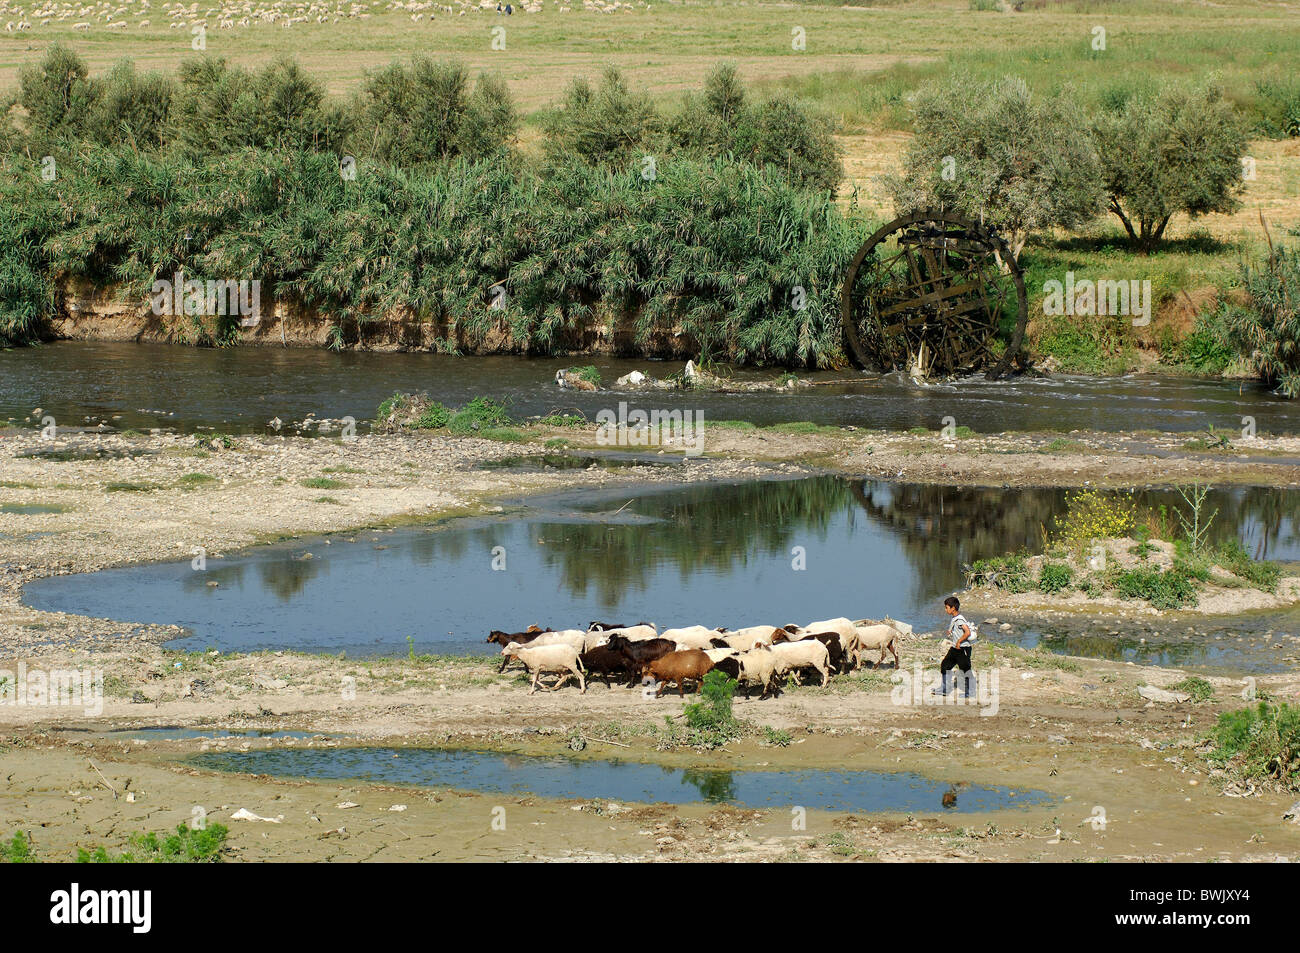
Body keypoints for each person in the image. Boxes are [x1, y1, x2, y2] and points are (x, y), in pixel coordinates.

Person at [932, 595, 976, 696]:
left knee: (965, 669)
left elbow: (967, 632)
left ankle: (971, 692)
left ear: (953, 608)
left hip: (962, 648)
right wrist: (951, 631)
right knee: (945, 666)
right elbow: (958, 630)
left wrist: (959, 642)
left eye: (946, 607)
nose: (945, 609)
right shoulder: (955, 618)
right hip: (955, 648)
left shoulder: (960, 619)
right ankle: (945, 689)